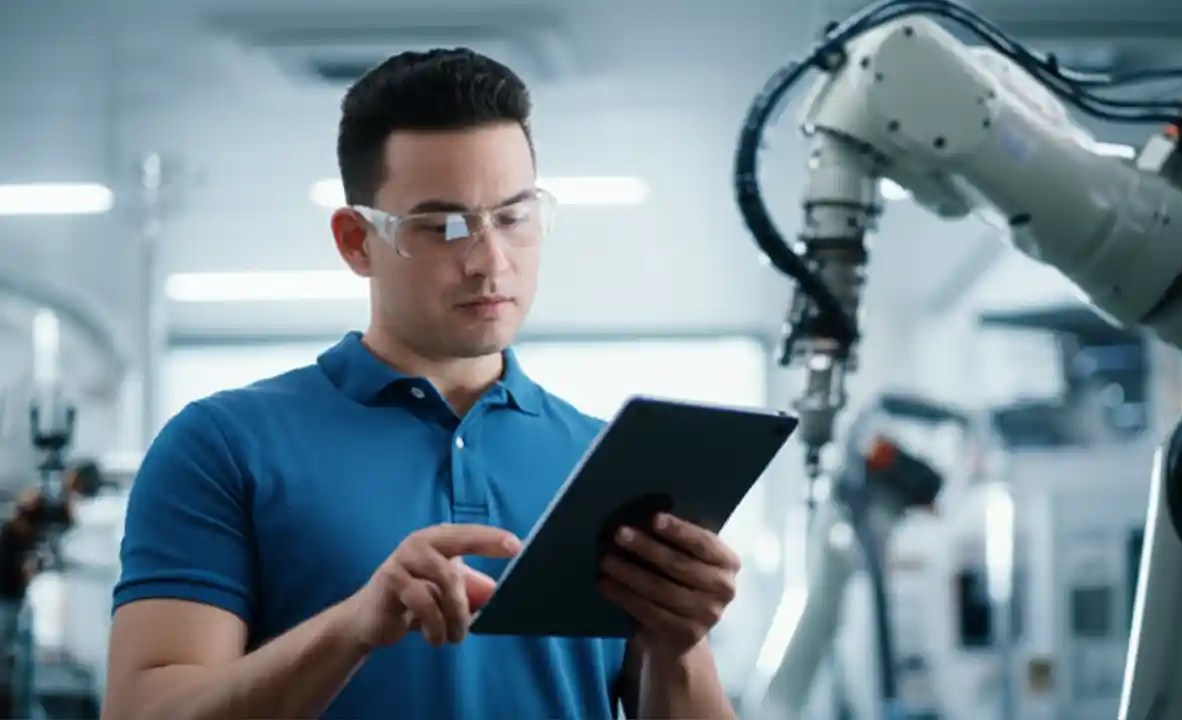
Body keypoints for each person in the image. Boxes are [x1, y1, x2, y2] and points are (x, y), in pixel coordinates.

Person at [102, 48, 742, 719]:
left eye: (514, 216)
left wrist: (678, 639)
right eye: (446, 227)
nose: (490, 262)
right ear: (356, 241)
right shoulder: (223, 447)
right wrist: (352, 628)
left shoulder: (605, 464)